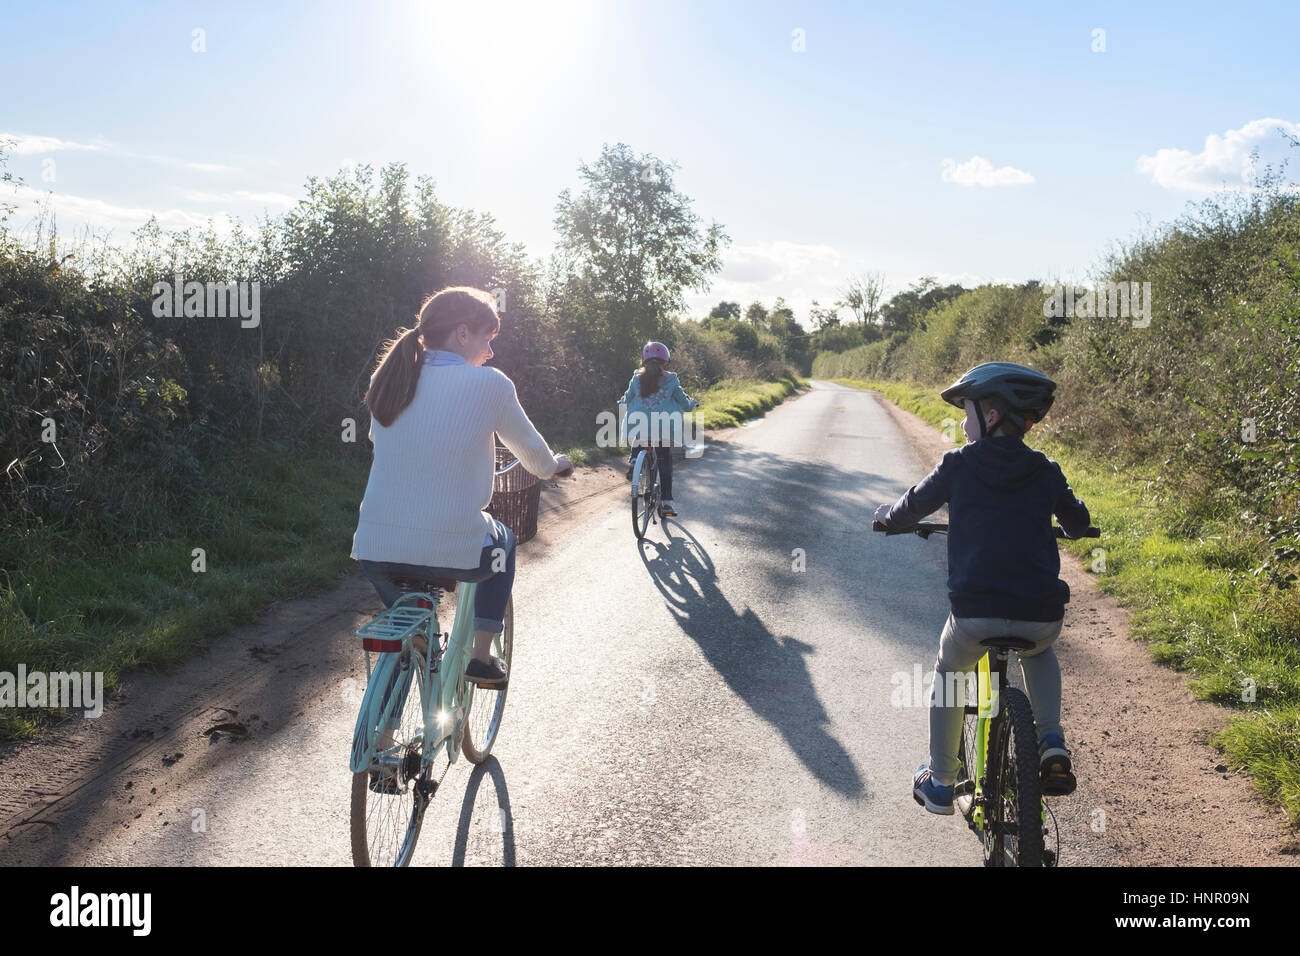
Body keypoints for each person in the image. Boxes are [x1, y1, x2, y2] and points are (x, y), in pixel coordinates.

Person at [871, 362, 1091, 814]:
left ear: (990, 417)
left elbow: (913, 505)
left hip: (975, 615)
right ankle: (1051, 742)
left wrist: (888, 518)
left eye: (967, 412)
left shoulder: (958, 464)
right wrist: (1073, 522)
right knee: (1040, 653)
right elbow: (1077, 522)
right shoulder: (1045, 470)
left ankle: (941, 781)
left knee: (950, 671)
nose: (964, 422)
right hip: (1040, 614)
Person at [351, 286, 573, 687]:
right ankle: (482, 657)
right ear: (463, 333)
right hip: (455, 550)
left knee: (411, 644)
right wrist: (555, 465)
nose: (490, 352)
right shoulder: (491, 385)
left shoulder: (390, 382)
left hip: (373, 548)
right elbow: (536, 460)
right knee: (502, 539)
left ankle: (385, 731)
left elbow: (380, 439)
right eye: (487, 338)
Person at [619, 341, 700, 517]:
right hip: (663, 427)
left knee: (639, 437)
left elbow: (626, 399)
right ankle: (667, 503)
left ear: (643, 361)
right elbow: (684, 404)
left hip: (638, 424)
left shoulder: (636, 379)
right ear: (665, 361)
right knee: (665, 462)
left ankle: (634, 461)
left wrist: (621, 401)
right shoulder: (671, 380)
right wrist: (693, 403)